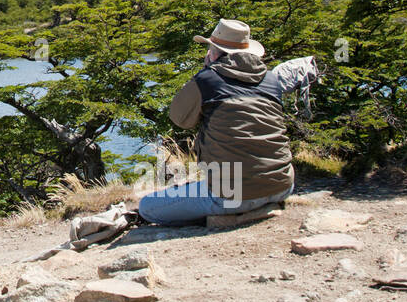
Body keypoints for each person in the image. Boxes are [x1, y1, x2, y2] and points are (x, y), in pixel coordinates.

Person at [136, 19, 318, 226]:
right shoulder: (271, 81)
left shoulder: (208, 80)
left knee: (148, 207)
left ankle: (225, 214)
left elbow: (180, 119)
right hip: (283, 186)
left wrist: (204, 73)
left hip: (233, 196)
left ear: (214, 52)